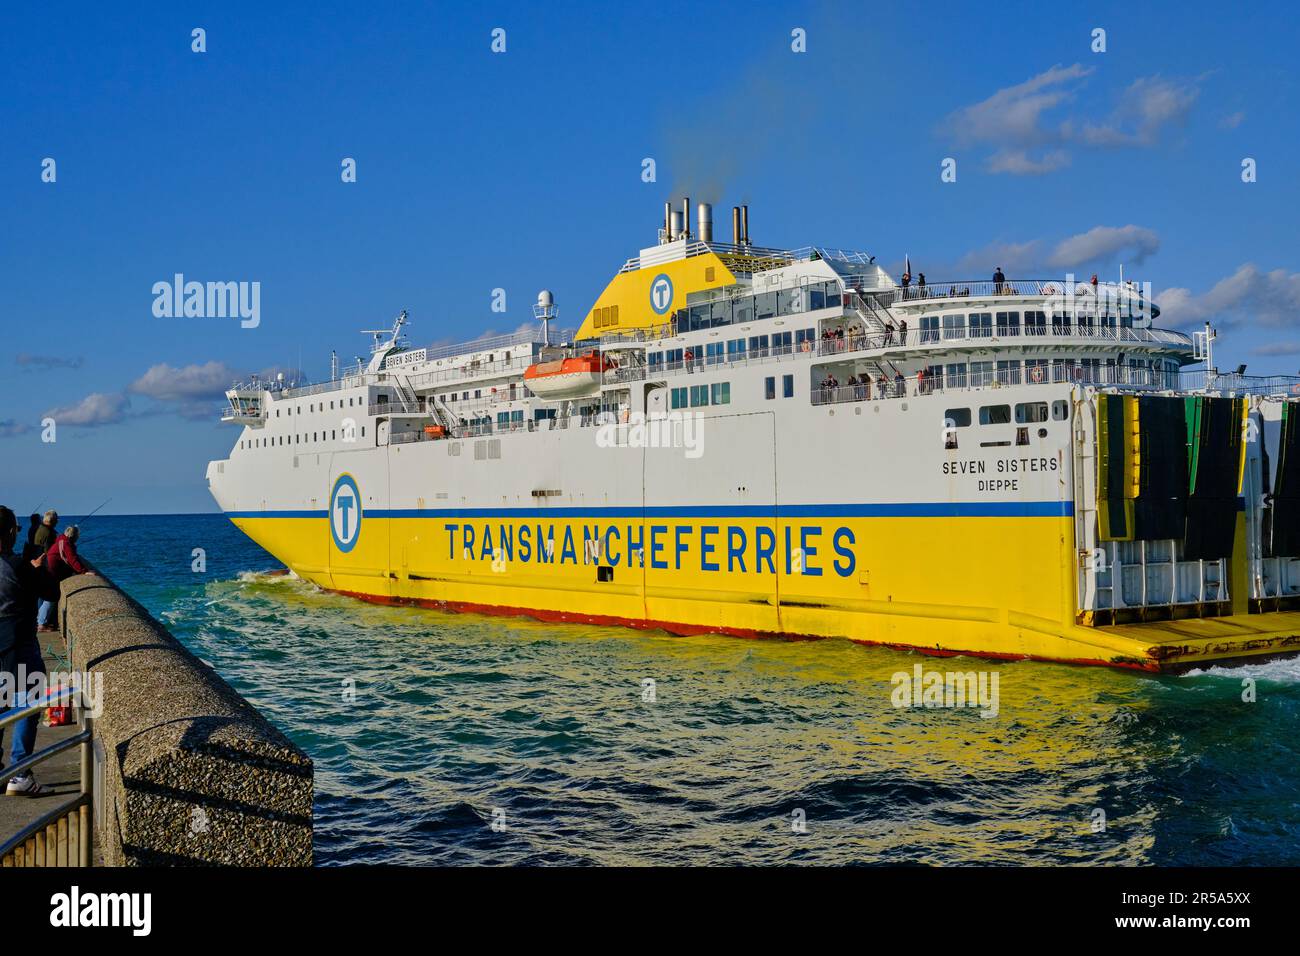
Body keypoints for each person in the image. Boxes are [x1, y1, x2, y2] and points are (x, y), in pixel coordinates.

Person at [0, 506, 50, 796]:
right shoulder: (18, 565)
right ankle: (19, 774)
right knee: (29, 704)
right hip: (19, 645)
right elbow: (51, 593)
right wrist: (37, 568)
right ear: (10, 533)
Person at [32, 511, 57, 632]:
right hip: (44, 566)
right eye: (56, 519)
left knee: (41, 595)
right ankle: (41, 623)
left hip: (36, 564)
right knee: (50, 595)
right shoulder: (49, 532)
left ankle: (39, 620)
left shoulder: (39, 529)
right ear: (52, 521)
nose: (58, 521)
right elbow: (49, 552)